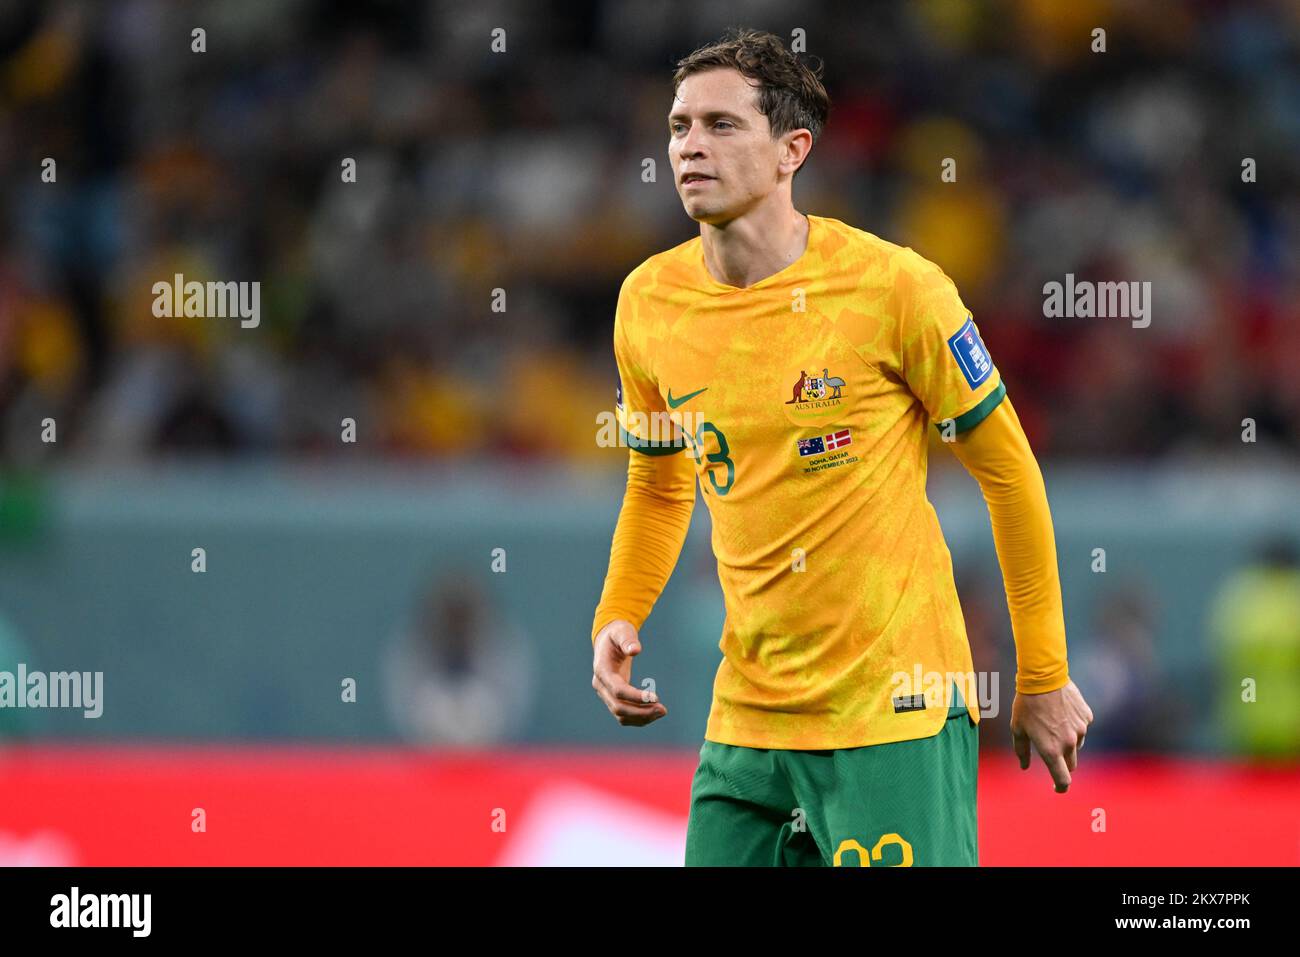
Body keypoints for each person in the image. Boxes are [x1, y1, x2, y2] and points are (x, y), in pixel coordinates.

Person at [589, 28, 1092, 867]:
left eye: (720, 125)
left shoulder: (896, 289)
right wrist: (618, 612)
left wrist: (1042, 672)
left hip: (892, 707)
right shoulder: (648, 301)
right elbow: (659, 486)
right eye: (678, 127)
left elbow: (1009, 474)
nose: (689, 147)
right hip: (747, 719)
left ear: (793, 150)